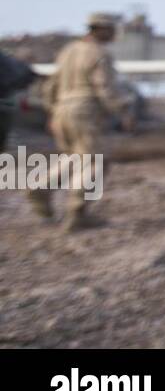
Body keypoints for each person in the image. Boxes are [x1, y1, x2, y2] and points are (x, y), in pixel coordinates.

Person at [32, 13, 134, 230]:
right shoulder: (98, 53)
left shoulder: (68, 51)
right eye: (112, 29)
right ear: (101, 29)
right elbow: (104, 88)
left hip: (62, 109)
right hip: (85, 111)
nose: (115, 34)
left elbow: (52, 85)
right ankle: (77, 214)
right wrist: (123, 110)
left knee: (74, 158)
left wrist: (52, 112)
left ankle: (41, 187)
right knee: (94, 162)